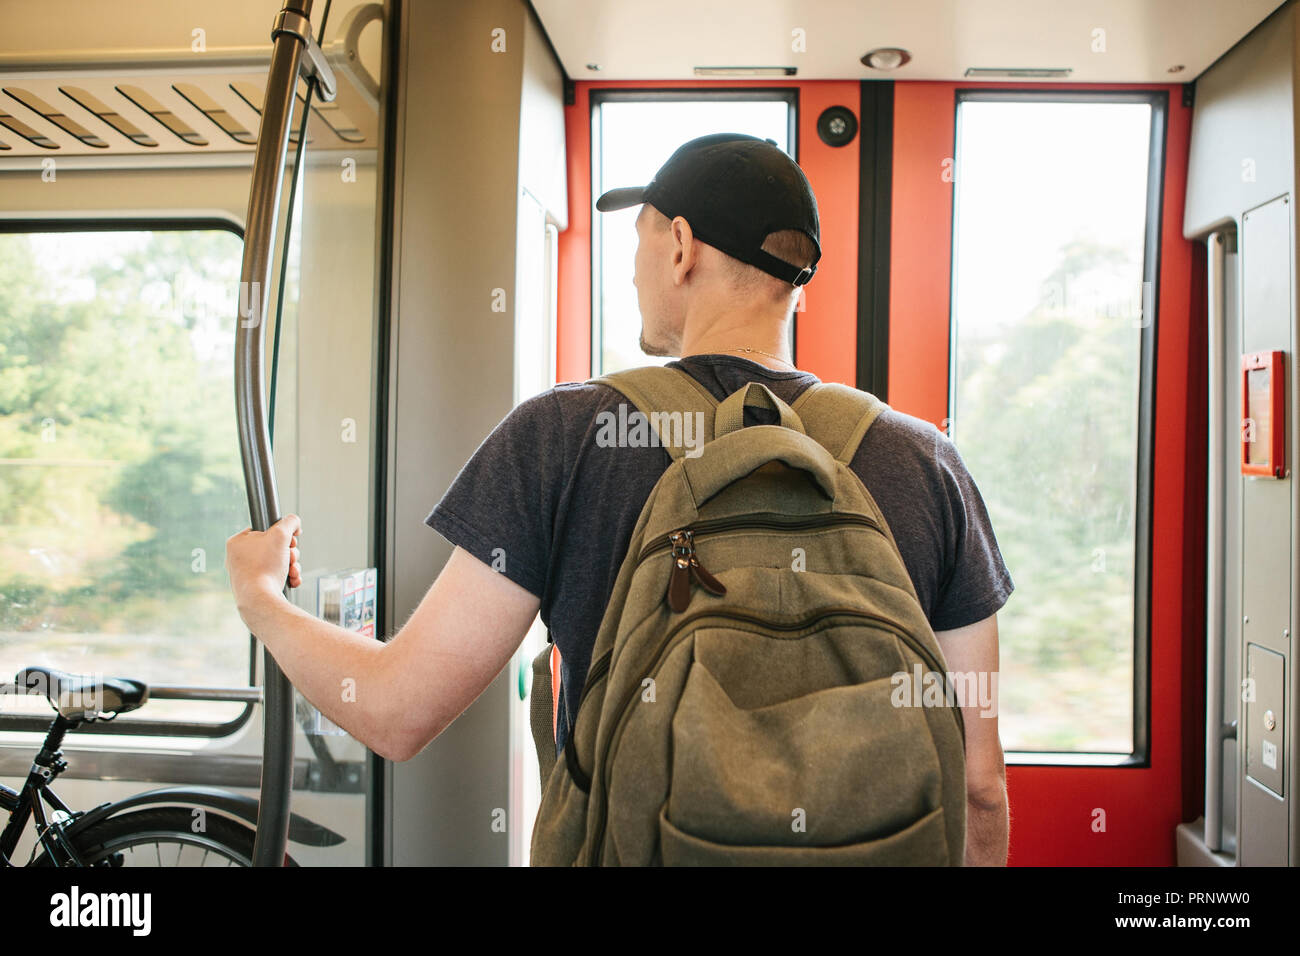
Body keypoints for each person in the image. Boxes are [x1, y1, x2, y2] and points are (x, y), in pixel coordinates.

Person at [226, 132, 1013, 866]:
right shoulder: (927, 462)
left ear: (678, 248)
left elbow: (396, 710)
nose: (634, 268)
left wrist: (261, 597)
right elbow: (978, 789)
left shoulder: (562, 435)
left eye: (639, 238)